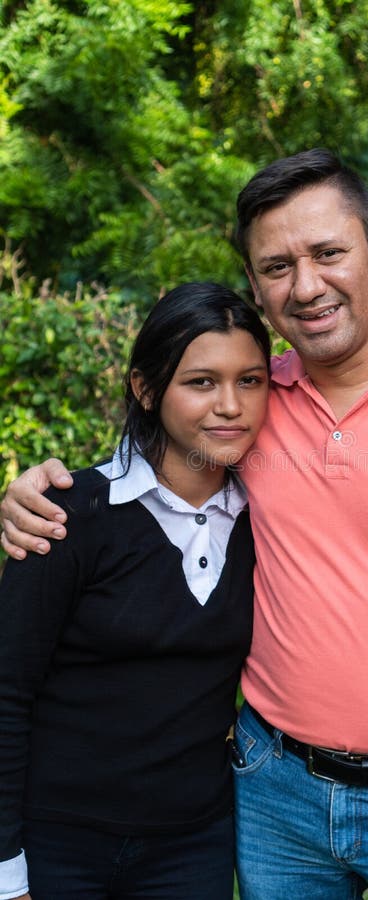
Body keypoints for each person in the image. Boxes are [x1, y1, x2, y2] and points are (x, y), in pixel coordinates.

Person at [1, 149, 368, 899]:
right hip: (274, 792)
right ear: (255, 284)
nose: (306, 286)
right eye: (276, 266)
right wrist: (35, 491)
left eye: (328, 253)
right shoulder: (256, 403)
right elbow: (153, 468)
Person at [0, 282, 271, 900]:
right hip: (57, 841)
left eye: (250, 380)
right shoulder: (68, 516)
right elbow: (6, 692)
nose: (230, 405)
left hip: (193, 845)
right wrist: (5, 870)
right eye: (201, 382)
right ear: (146, 390)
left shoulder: (272, 520)